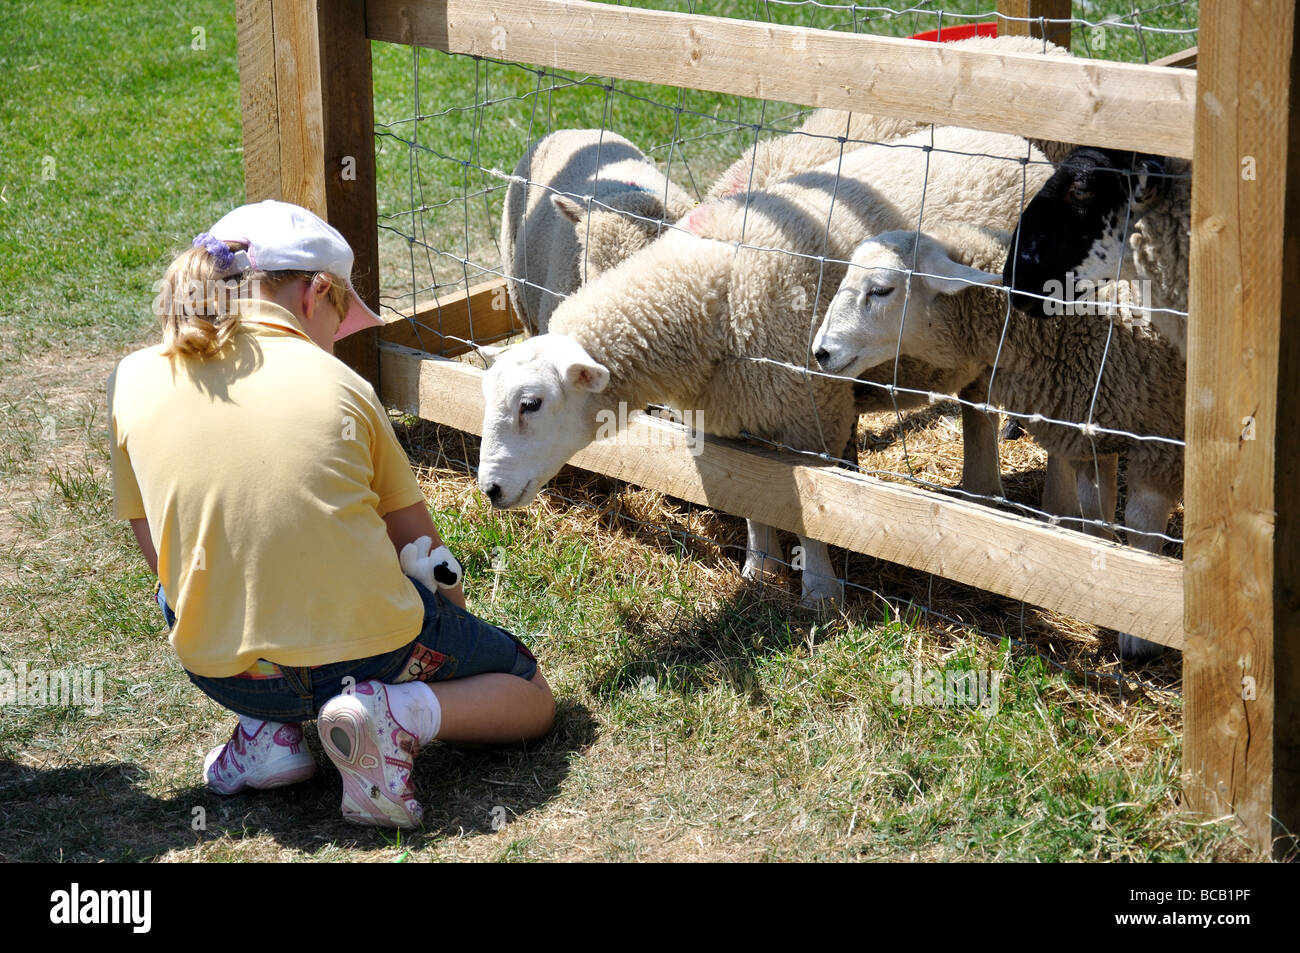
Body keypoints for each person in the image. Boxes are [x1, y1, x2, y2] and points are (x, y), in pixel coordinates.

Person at [108, 199, 554, 828]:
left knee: (196, 570)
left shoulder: (131, 377)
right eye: (340, 320)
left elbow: (159, 555)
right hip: (366, 655)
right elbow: (421, 552)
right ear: (316, 293)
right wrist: (453, 619)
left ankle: (268, 737)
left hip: (225, 668)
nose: (334, 341)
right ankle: (396, 717)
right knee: (530, 696)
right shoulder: (340, 386)